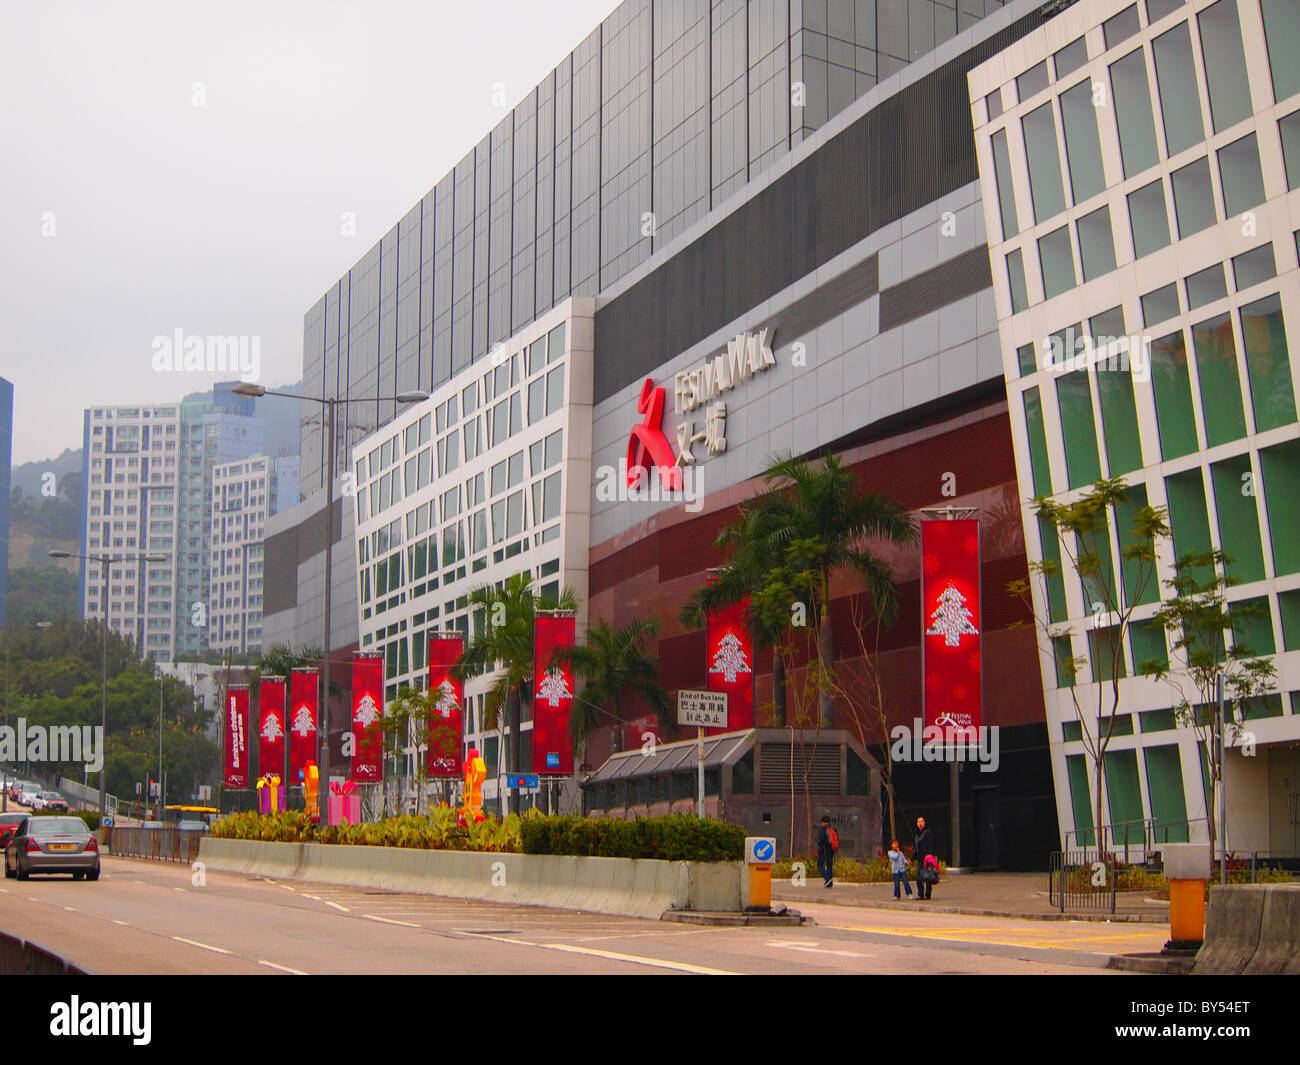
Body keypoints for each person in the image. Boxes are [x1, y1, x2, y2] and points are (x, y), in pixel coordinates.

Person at [914, 816, 934, 899]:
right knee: (918, 877)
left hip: (927, 859)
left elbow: (931, 846)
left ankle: (928, 894)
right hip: (920, 860)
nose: (920, 823)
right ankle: (920, 894)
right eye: (918, 822)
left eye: (922, 821)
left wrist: (930, 857)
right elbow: (916, 849)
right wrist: (912, 859)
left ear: (925, 823)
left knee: (927, 877)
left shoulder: (928, 833)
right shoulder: (916, 834)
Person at [816, 815, 834, 888]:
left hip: (824, 850)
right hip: (831, 850)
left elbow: (821, 841)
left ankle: (827, 878)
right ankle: (829, 883)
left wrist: (818, 841)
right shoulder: (833, 828)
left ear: (823, 822)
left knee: (819, 864)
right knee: (829, 866)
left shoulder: (823, 829)